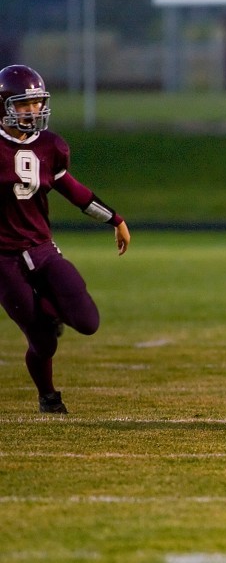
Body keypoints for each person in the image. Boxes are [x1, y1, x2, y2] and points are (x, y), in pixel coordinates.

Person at [0, 64, 131, 414]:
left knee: (87, 321)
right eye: (23, 104)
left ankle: (47, 309)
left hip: (42, 249)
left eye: (36, 103)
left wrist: (114, 219)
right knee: (42, 340)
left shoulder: (50, 145)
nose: (33, 111)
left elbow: (72, 190)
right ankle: (48, 396)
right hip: (4, 259)